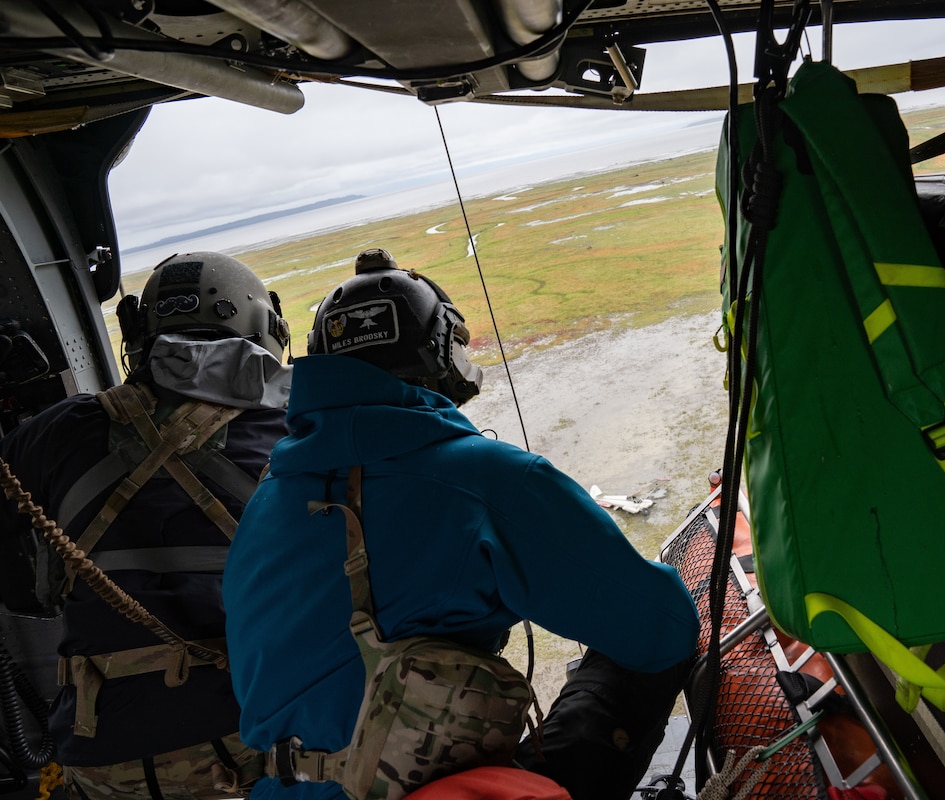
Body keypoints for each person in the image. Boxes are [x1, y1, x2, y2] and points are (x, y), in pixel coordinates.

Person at [223, 248, 700, 800]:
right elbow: (660, 627)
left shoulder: (267, 494)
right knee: (651, 643)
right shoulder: (480, 478)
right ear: (441, 353)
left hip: (279, 792)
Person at [0, 251, 293, 799]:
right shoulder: (293, 432)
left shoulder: (58, 432)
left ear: (137, 331)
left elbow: (25, 594)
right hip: (254, 737)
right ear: (265, 329)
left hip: (100, 753)